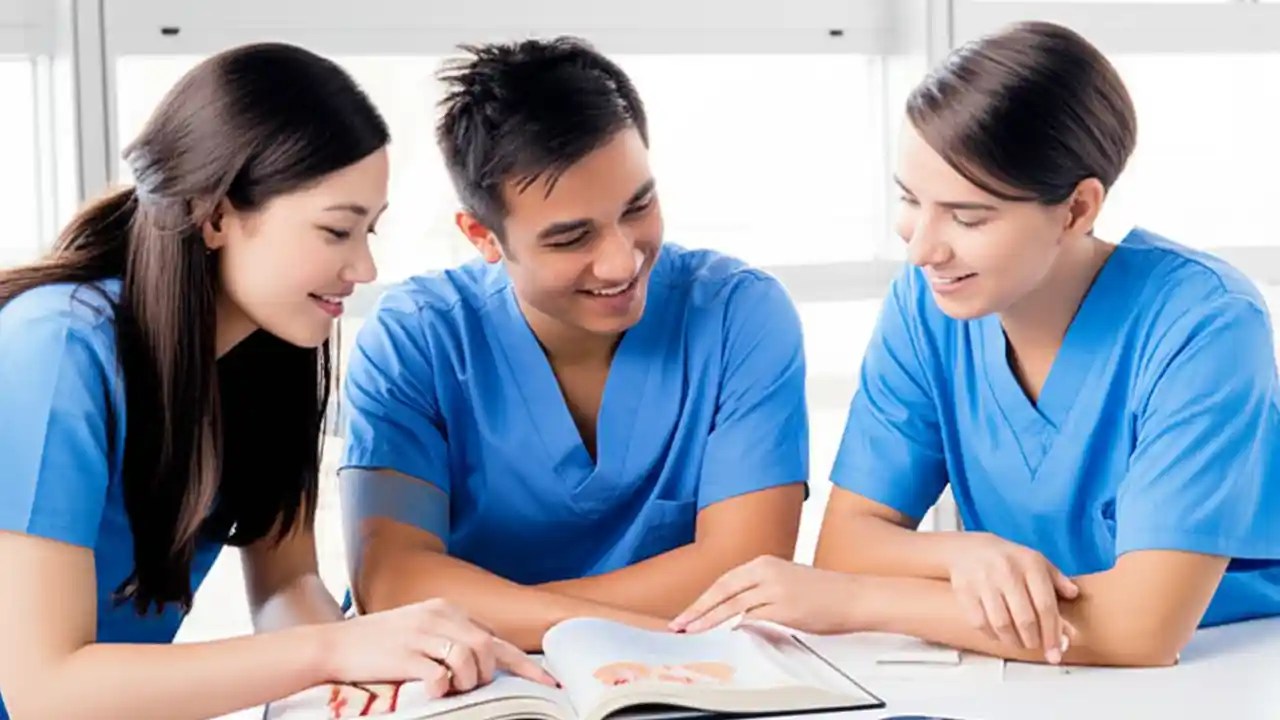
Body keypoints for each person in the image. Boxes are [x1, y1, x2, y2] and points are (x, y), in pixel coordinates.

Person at [671, 21, 1280, 668]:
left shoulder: (1205, 324)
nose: (923, 246)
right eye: (910, 199)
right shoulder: (929, 305)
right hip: (1024, 672)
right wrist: (963, 552)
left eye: (968, 217)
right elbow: (847, 545)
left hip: (1236, 661)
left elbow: (1139, 629)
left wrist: (855, 603)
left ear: (1077, 209)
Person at [0, 42, 551, 720]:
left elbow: (286, 586)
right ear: (218, 215)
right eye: (336, 232)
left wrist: (382, 676)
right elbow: (44, 690)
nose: (365, 268)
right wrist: (335, 651)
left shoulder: (270, 349)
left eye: (369, 231)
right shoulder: (54, 347)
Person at [339, 37, 809, 650]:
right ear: (482, 235)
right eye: (570, 239)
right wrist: (636, 622)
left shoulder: (738, 314)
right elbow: (392, 581)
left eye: (638, 206)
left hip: (685, 683)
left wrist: (483, 611)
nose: (620, 262)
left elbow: (745, 571)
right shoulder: (415, 340)